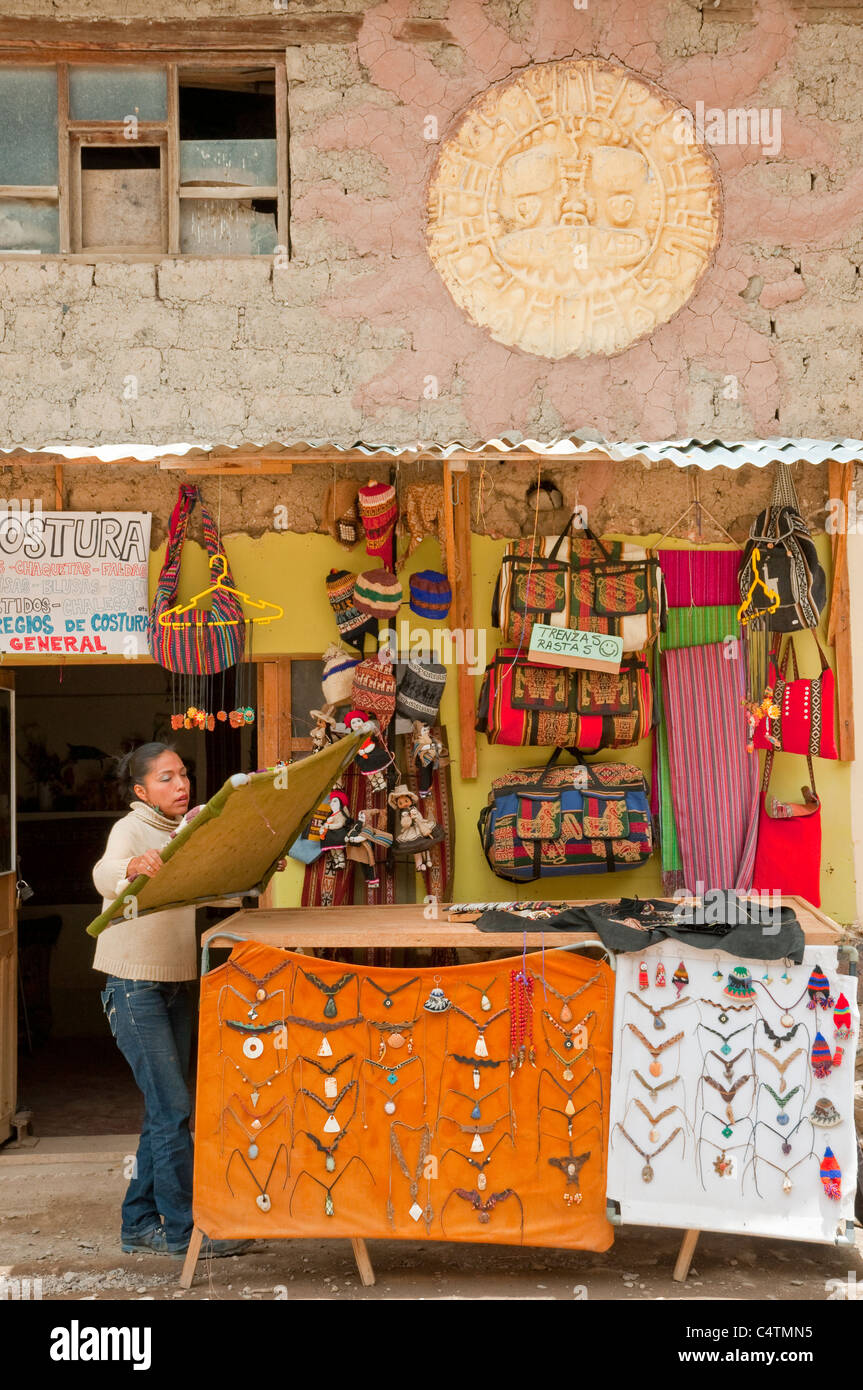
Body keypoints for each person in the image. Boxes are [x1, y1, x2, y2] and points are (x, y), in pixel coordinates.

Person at [92, 742, 250, 1259]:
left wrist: (244, 868)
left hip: (176, 983)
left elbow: (208, 892)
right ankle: (183, 1232)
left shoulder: (184, 832)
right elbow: (106, 872)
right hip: (132, 986)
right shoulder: (132, 830)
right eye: (166, 778)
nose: (180, 785)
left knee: (165, 1108)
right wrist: (132, 869)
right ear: (141, 791)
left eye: (182, 775)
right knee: (172, 1108)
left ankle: (138, 1222)